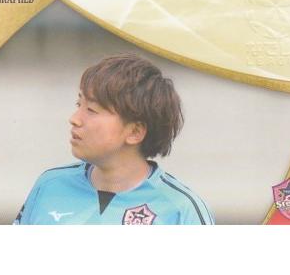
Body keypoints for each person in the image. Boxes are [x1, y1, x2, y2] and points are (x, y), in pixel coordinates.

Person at [13, 53, 214, 225]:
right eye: (78, 104)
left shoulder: (181, 210)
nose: (74, 119)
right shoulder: (49, 186)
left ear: (135, 132)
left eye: (91, 110)